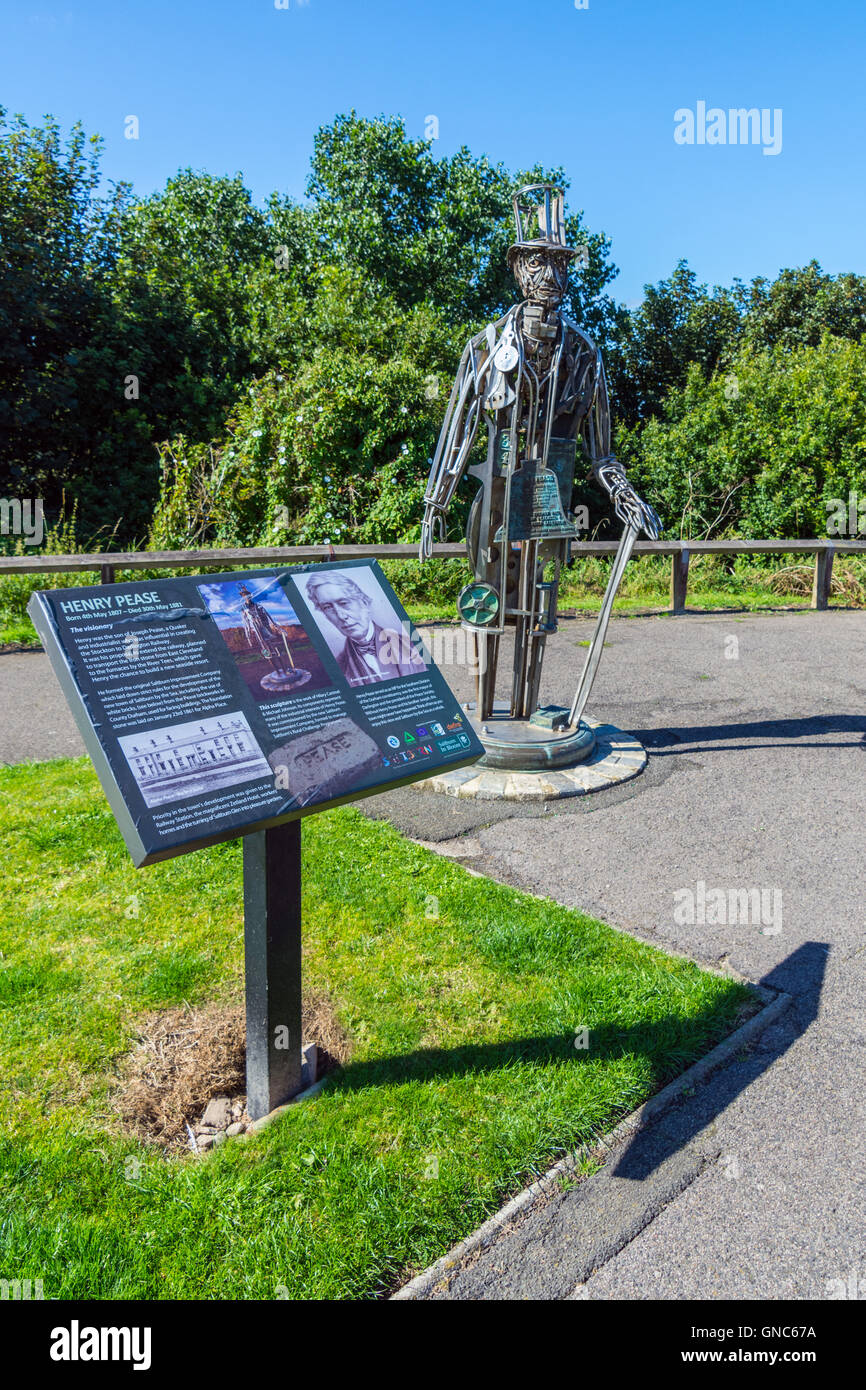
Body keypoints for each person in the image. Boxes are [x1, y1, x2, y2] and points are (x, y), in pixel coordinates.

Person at [304, 572, 426, 686]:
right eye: (327, 607)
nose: (341, 616)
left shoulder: (410, 643)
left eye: (344, 603)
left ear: (363, 602)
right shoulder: (339, 667)